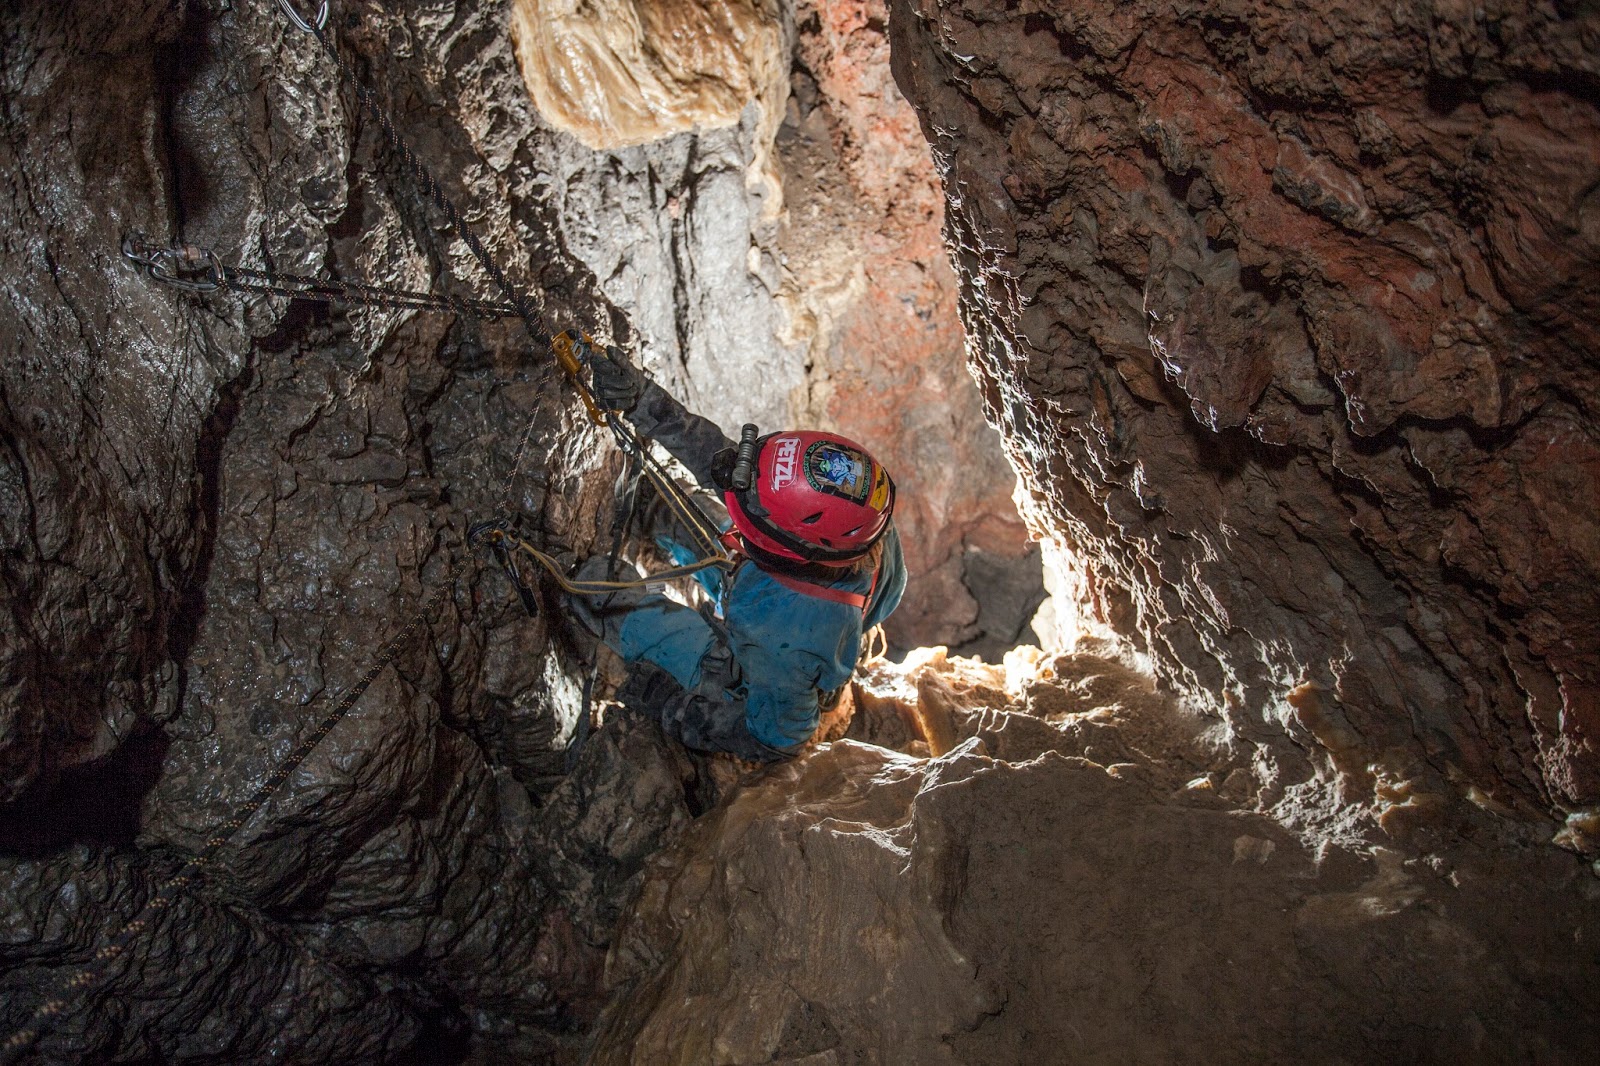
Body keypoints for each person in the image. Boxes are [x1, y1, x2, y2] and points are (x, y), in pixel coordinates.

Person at [566, 341, 906, 763]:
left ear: (785, 547)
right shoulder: (856, 506)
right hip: (827, 601)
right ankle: (657, 522)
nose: (738, 481)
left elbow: (779, 738)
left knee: (598, 593)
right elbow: (734, 470)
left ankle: (596, 594)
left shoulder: (779, 637)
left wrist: (680, 711)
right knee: (674, 512)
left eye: (755, 509)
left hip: (786, 637)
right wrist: (641, 400)